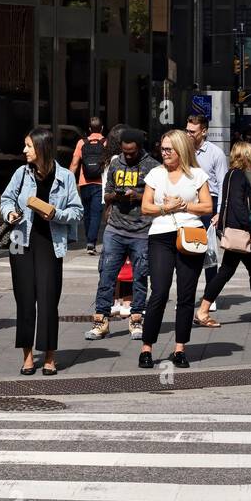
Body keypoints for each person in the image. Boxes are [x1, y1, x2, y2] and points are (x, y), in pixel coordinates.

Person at [1, 128, 83, 375]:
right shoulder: (21, 173)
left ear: (41, 148)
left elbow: (77, 212)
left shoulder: (65, 177)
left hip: (50, 241)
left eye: (28, 146)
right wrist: (10, 213)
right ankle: (27, 356)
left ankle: (49, 356)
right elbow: (6, 199)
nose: (24, 150)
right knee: (25, 299)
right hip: (20, 240)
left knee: (48, 299)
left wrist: (55, 214)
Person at [138, 129, 213, 368]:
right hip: (160, 236)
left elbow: (207, 206)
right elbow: (145, 207)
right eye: (163, 148)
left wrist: (184, 205)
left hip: (190, 235)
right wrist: (165, 209)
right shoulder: (155, 174)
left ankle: (180, 347)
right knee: (159, 291)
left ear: (181, 149)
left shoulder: (197, 175)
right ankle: (146, 347)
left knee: (186, 294)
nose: (165, 153)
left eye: (169, 149)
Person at [195, 141, 251, 329]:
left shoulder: (231, 175)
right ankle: (203, 310)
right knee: (231, 271)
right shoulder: (238, 177)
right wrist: (250, 229)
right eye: (250, 155)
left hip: (234, 229)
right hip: (239, 231)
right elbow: (238, 205)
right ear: (244, 156)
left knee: (249, 270)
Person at [85, 128, 158, 342]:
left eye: (132, 152)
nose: (127, 156)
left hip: (141, 230)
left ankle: (136, 319)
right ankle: (101, 321)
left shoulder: (152, 166)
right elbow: (106, 193)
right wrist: (114, 196)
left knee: (140, 276)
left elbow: (158, 196)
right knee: (106, 275)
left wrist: (137, 195)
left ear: (139, 148)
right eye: (125, 152)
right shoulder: (116, 163)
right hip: (115, 228)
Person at [185, 112, 227, 299]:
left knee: (209, 252)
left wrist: (219, 213)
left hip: (209, 203)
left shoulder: (215, 154)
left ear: (204, 132)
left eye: (193, 132)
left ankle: (210, 296)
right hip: (187, 203)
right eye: (187, 131)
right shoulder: (183, 150)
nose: (189, 135)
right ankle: (186, 293)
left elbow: (223, 184)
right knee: (187, 250)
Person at [70, 118, 107, 255]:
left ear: (90, 129)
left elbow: (74, 164)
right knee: (96, 213)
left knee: (87, 213)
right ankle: (91, 243)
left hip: (84, 183)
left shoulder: (81, 143)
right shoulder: (105, 143)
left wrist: (68, 181)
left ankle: (89, 240)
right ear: (102, 128)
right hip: (99, 183)